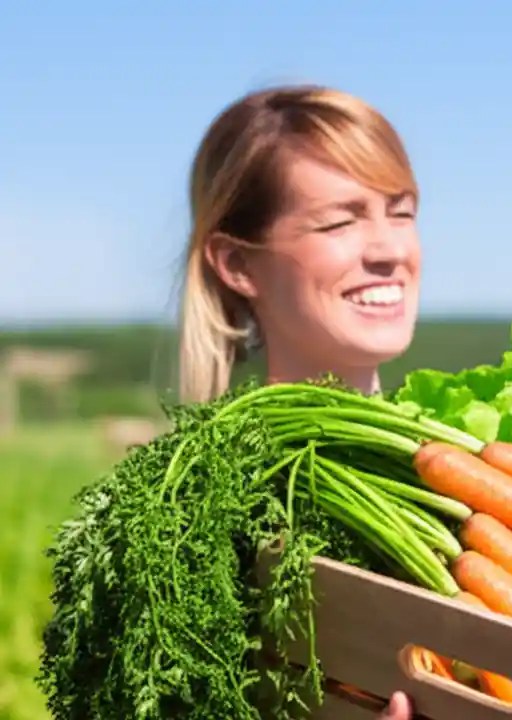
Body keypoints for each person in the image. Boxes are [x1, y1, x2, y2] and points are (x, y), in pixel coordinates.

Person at [177, 83, 422, 719]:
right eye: (341, 221)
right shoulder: (192, 521)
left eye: (401, 212)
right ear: (238, 263)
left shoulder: (471, 462)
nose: (391, 250)